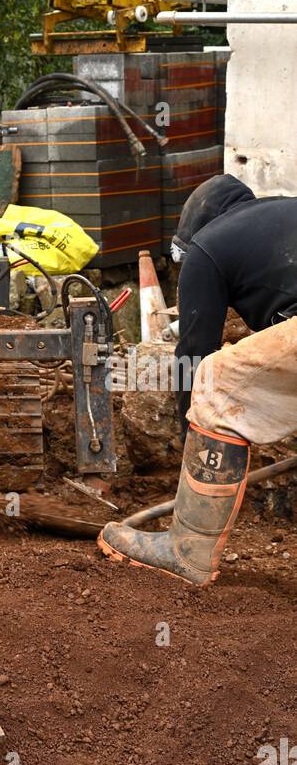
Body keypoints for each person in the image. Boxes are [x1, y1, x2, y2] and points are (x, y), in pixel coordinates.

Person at [99, 173, 297, 586]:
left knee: (216, 379)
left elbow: (194, 355)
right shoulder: (279, 214)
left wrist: (192, 429)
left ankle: (188, 549)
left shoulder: (209, 247)